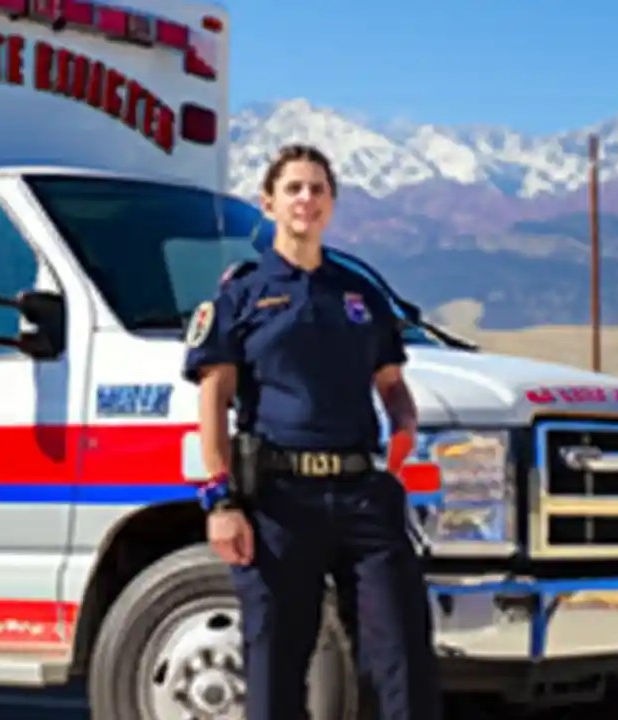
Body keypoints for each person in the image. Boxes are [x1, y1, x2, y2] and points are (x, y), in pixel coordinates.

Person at [181, 143, 443, 720]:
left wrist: (402, 428)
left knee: (402, 660)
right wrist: (221, 499)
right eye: (294, 188)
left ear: (332, 204)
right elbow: (214, 399)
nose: (307, 199)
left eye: (318, 189)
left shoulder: (359, 294)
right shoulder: (240, 295)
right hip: (277, 501)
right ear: (268, 203)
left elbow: (392, 385)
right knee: (276, 662)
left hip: (363, 497)